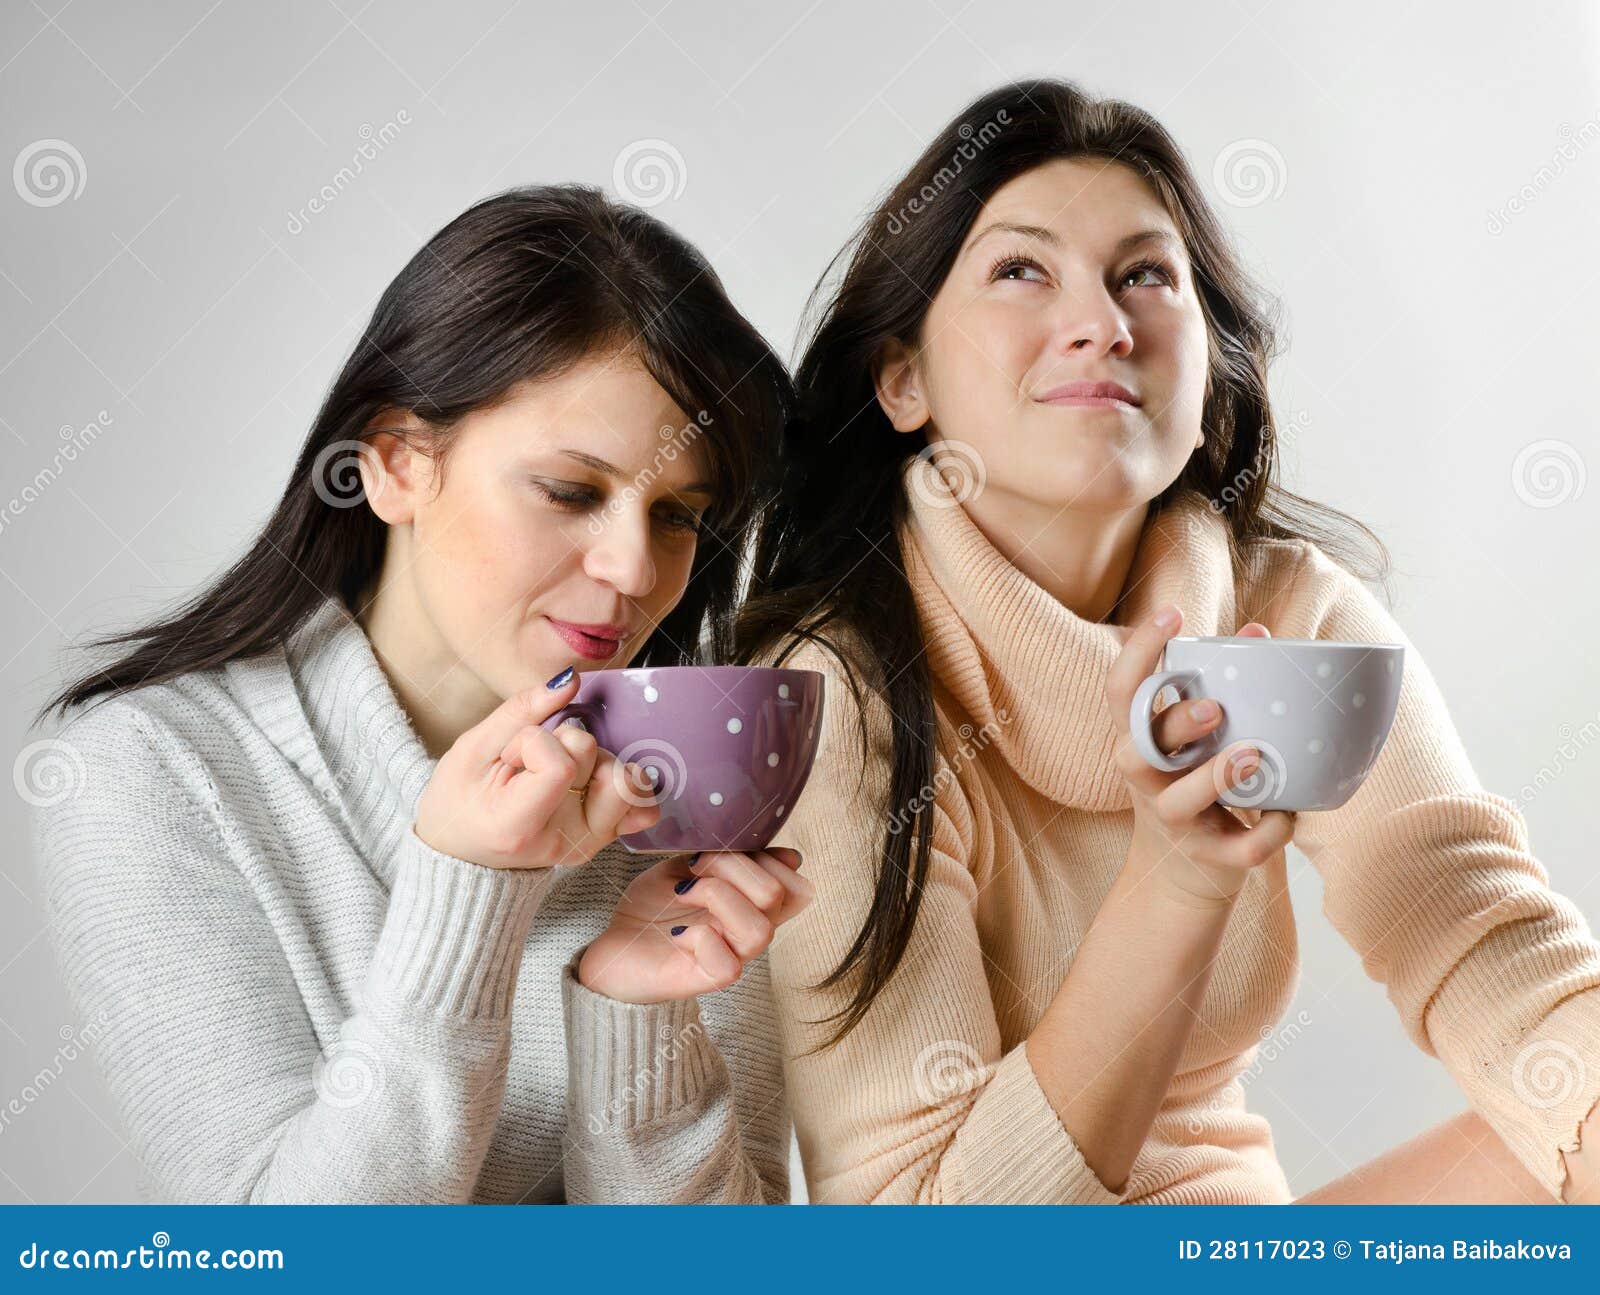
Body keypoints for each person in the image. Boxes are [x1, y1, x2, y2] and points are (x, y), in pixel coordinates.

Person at [737, 79, 1600, 1205]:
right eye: (1020, 270)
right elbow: (927, 1245)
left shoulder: (1284, 610)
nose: (1101, 321)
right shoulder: (833, 694)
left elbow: (1480, 935)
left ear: (1205, 367)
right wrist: (1174, 887)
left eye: (1145, 273)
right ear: (902, 379)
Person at [30, 184, 810, 1204]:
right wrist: (470, 887)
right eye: (571, 492)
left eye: (675, 514)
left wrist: (635, 1017)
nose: (632, 566)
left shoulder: (688, 780)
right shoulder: (152, 767)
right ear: (395, 467)